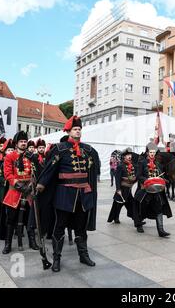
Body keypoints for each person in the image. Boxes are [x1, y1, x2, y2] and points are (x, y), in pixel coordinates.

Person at [36, 116, 100, 273]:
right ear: (68, 131)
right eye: (75, 129)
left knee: (81, 228)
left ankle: (83, 256)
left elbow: (94, 167)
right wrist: (41, 184)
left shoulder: (88, 150)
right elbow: (50, 168)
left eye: (79, 129)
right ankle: (56, 258)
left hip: (83, 196)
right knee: (59, 227)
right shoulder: (59, 148)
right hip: (64, 195)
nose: (78, 131)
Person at [2, 131, 37, 254]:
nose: (23, 143)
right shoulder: (10, 157)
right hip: (15, 192)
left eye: (25, 141)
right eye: (21, 142)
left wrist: (31, 185)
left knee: (30, 219)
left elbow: (35, 172)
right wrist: (19, 185)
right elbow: (8, 174)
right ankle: (8, 244)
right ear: (16, 144)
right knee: (11, 220)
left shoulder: (31, 156)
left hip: (29, 192)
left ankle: (32, 242)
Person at [133, 142, 172, 237]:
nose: (152, 154)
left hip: (156, 190)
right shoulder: (142, 163)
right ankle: (139, 224)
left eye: (154, 152)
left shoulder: (157, 163)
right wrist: (146, 180)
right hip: (145, 189)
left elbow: (160, 174)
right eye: (151, 152)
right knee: (142, 208)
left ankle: (161, 231)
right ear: (147, 152)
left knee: (159, 208)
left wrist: (163, 179)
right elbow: (138, 176)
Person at [107, 148, 137, 224]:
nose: (129, 156)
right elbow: (117, 179)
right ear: (124, 156)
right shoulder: (121, 166)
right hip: (123, 189)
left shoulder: (132, 165)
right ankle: (115, 217)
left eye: (130, 155)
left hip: (130, 189)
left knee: (132, 205)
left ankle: (137, 220)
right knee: (118, 205)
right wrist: (118, 189)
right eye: (127, 155)